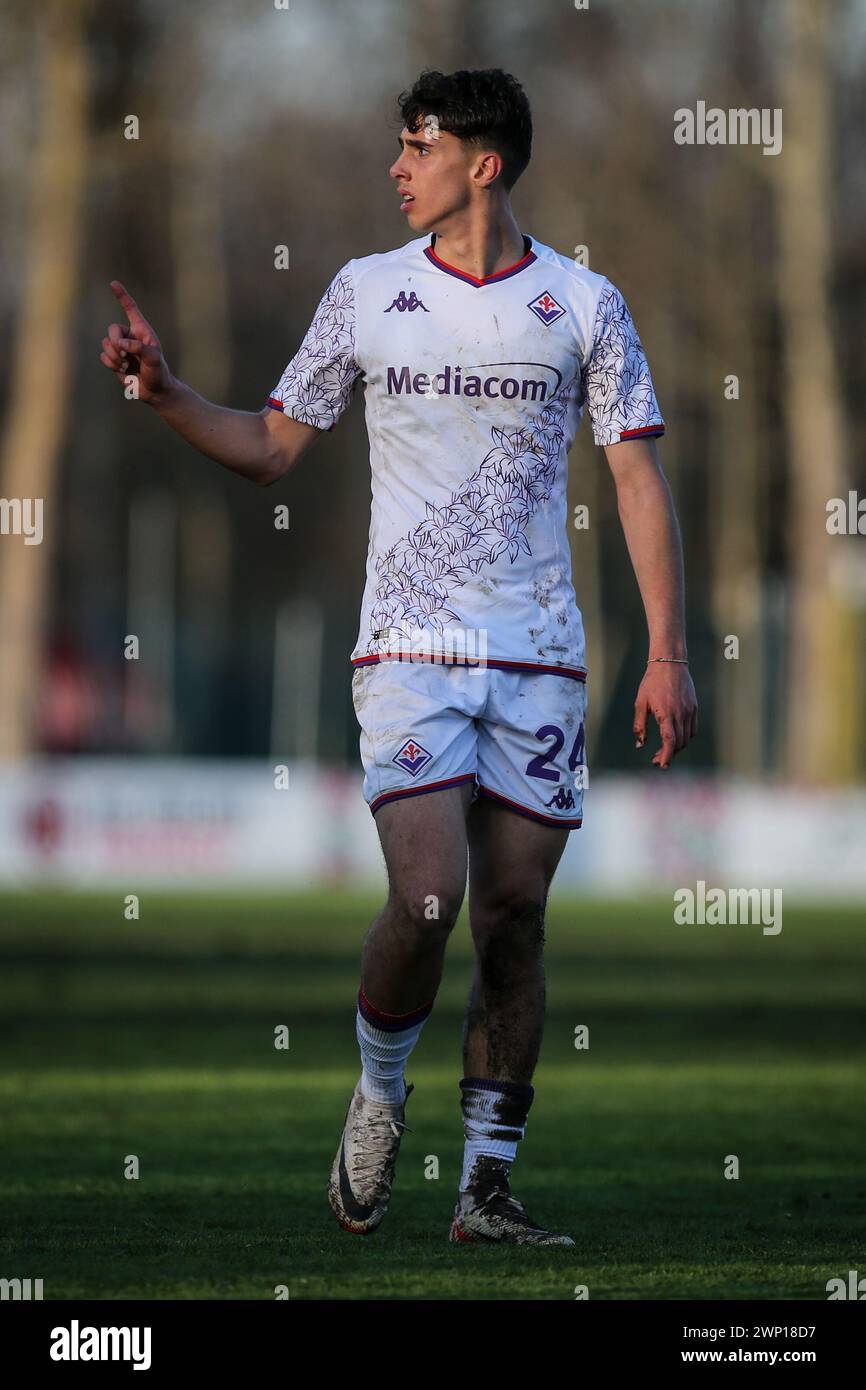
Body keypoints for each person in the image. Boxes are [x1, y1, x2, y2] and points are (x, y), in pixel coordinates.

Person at [100, 66, 697, 1247]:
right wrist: (167, 396)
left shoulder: (584, 304)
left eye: (415, 145)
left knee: (514, 917)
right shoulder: (365, 293)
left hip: (539, 658)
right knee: (427, 896)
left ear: (481, 162)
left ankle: (484, 1186)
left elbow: (636, 475)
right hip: (408, 649)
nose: (394, 166)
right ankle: (378, 1092)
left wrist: (668, 648)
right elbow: (273, 447)